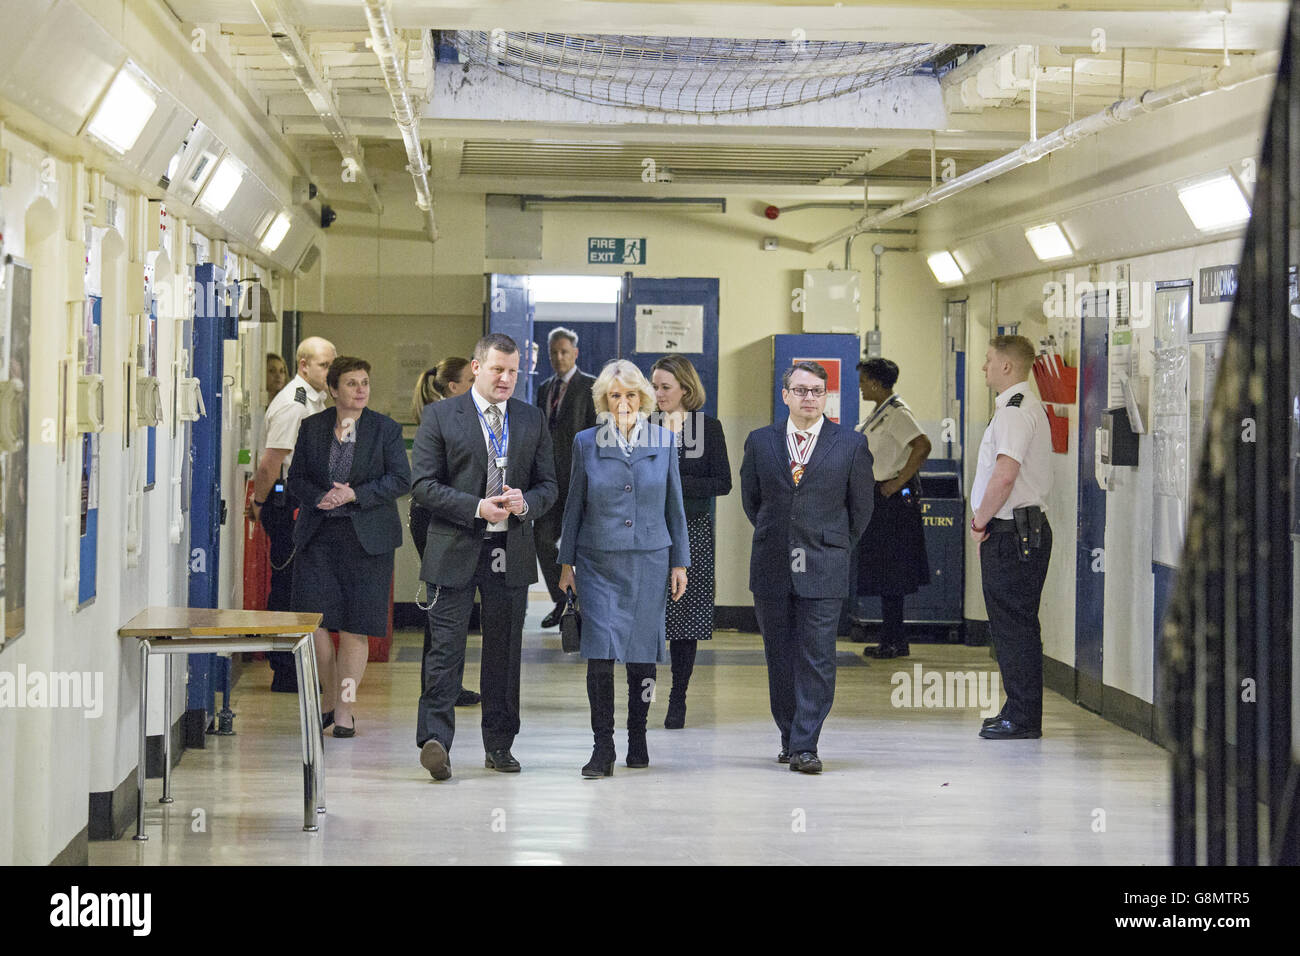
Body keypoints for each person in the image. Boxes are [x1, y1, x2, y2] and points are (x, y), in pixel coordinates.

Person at [411, 333, 557, 780]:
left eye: (513, 371)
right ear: (477, 368)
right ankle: (436, 741)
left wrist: (524, 502)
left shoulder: (531, 419)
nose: (506, 378)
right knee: (446, 648)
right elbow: (423, 485)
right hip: (454, 546)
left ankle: (499, 744)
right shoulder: (441, 416)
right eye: (497, 369)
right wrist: (476, 507)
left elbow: (549, 486)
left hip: (508, 550)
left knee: (505, 653)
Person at [740, 361, 874, 774]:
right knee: (779, 655)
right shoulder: (761, 442)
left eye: (817, 391)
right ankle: (789, 736)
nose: (809, 398)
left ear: (826, 396)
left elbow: (861, 510)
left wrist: (832, 546)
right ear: (786, 396)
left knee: (817, 657)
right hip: (772, 565)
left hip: (824, 565)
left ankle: (806, 744)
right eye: (800, 390)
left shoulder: (850, 445)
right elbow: (752, 501)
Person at [558, 359, 689, 777]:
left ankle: (638, 737)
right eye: (615, 395)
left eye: (631, 394)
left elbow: (676, 506)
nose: (624, 402)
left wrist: (680, 562)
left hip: (651, 559)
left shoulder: (664, 441)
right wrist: (566, 564)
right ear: (604, 400)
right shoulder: (585, 442)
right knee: (600, 653)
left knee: (641, 656)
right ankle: (603, 747)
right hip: (598, 561)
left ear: (644, 398)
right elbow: (574, 504)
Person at [288, 357, 411, 737]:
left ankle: (344, 709)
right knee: (317, 624)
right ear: (333, 390)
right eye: (352, 383)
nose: (360, 389)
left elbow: (400, 480)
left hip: (367, 541)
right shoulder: (312, 428)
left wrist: (355, 494)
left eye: (365, 382)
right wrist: (321, 497)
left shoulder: (384, 429)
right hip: (319, 538)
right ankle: (329, 698)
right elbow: (296, 479)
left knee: (357, 627)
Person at [969, 335, 1054, 740]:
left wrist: (980, 521)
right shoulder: (1017, 408)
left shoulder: (1015, 413)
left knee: (1014, 627)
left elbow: (1005, 474)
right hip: (1021, 529)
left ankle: (1022, 717)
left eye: (988, 361)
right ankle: (1016, 708)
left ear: (1007, 366)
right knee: (1013, 626)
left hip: (1011, 532)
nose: (984, 367)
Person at [248, 336, 336, 692]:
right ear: (304, 366)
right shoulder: (294, 405)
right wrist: (258, 503)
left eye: (332, 364)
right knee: (286, 588)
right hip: (287, 506)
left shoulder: (313, 399)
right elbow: (271, 463)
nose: (330, 372)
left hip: (302, 504)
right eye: (324, 365)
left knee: (301, 587)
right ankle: (284, 670)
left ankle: (295, 666)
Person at [649, 354, 731, 728]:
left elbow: (722, 482)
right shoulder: (643, 424)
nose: (658, 393)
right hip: (648, 532)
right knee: (648, 619)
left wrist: (676, 487)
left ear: (686, 389)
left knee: (686, 618)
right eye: (654, 386)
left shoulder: (707, 428)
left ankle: (677, 698)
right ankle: (643, 696)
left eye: (666, 387)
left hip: (692, 529)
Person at [409, 358, 481, 707]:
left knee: (447, 602)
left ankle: (446, 682)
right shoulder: (443, 419)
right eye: (470, 379)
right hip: (434, 517)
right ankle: (438, 685)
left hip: (445, 514)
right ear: (453, 386)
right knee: (441, 602)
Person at [855, 357, 932, 659]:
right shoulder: (878, 413)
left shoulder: (898, 413)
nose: (860, 387)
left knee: (893, 571)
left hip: (892, 500)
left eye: (863, 381)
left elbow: (923, 445)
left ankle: (894, 640)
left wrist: (899, 482)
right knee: (886, 571)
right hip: (878, 497)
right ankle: (893, 637)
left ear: (875, 382)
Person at [534, 328, 598, 628]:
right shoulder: (544, 388)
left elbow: (596, 436)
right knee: (542, 539)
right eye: (553, 352)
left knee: (583, 546)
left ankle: (581, 607)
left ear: (575, 353)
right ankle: (563, 602)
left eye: (564, 351)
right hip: (549, 482)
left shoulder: (591, 387)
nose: (558, 357)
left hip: (580, 481)